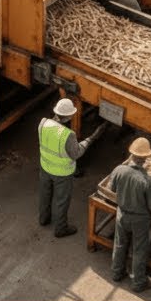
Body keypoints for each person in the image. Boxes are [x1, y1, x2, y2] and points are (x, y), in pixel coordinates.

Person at [38, 98, 99, 238]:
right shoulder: (67, 135)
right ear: (68, 117)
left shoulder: (43, 123)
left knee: (44, 194)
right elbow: (76, 153)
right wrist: (88, 141)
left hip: (45, 167)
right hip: (62, 173)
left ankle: (43, 219)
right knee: (62, 200)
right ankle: (60, 228)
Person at [108, 137, 151, 293]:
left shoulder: (119, 170)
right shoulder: (147, 181)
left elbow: (112, 189)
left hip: (122, 215)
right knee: (139, 249)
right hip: (140, 219)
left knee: (120, 244)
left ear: (131, 154)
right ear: (144, 159)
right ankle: (138, 282)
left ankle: (116, 273)